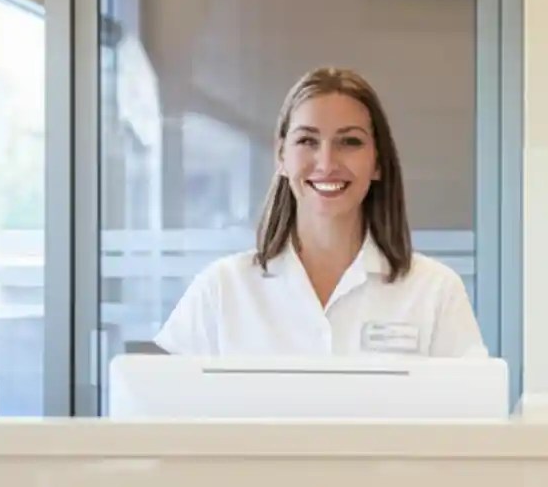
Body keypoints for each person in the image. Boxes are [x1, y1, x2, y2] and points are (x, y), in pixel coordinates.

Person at [153, 67, 487, 358]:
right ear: (281, 156)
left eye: (350, 142)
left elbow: (476, 420)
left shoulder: (435, 290)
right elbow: (155, 413)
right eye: (307, 141)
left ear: (378, 162)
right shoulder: (222, 288)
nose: (326, 164)